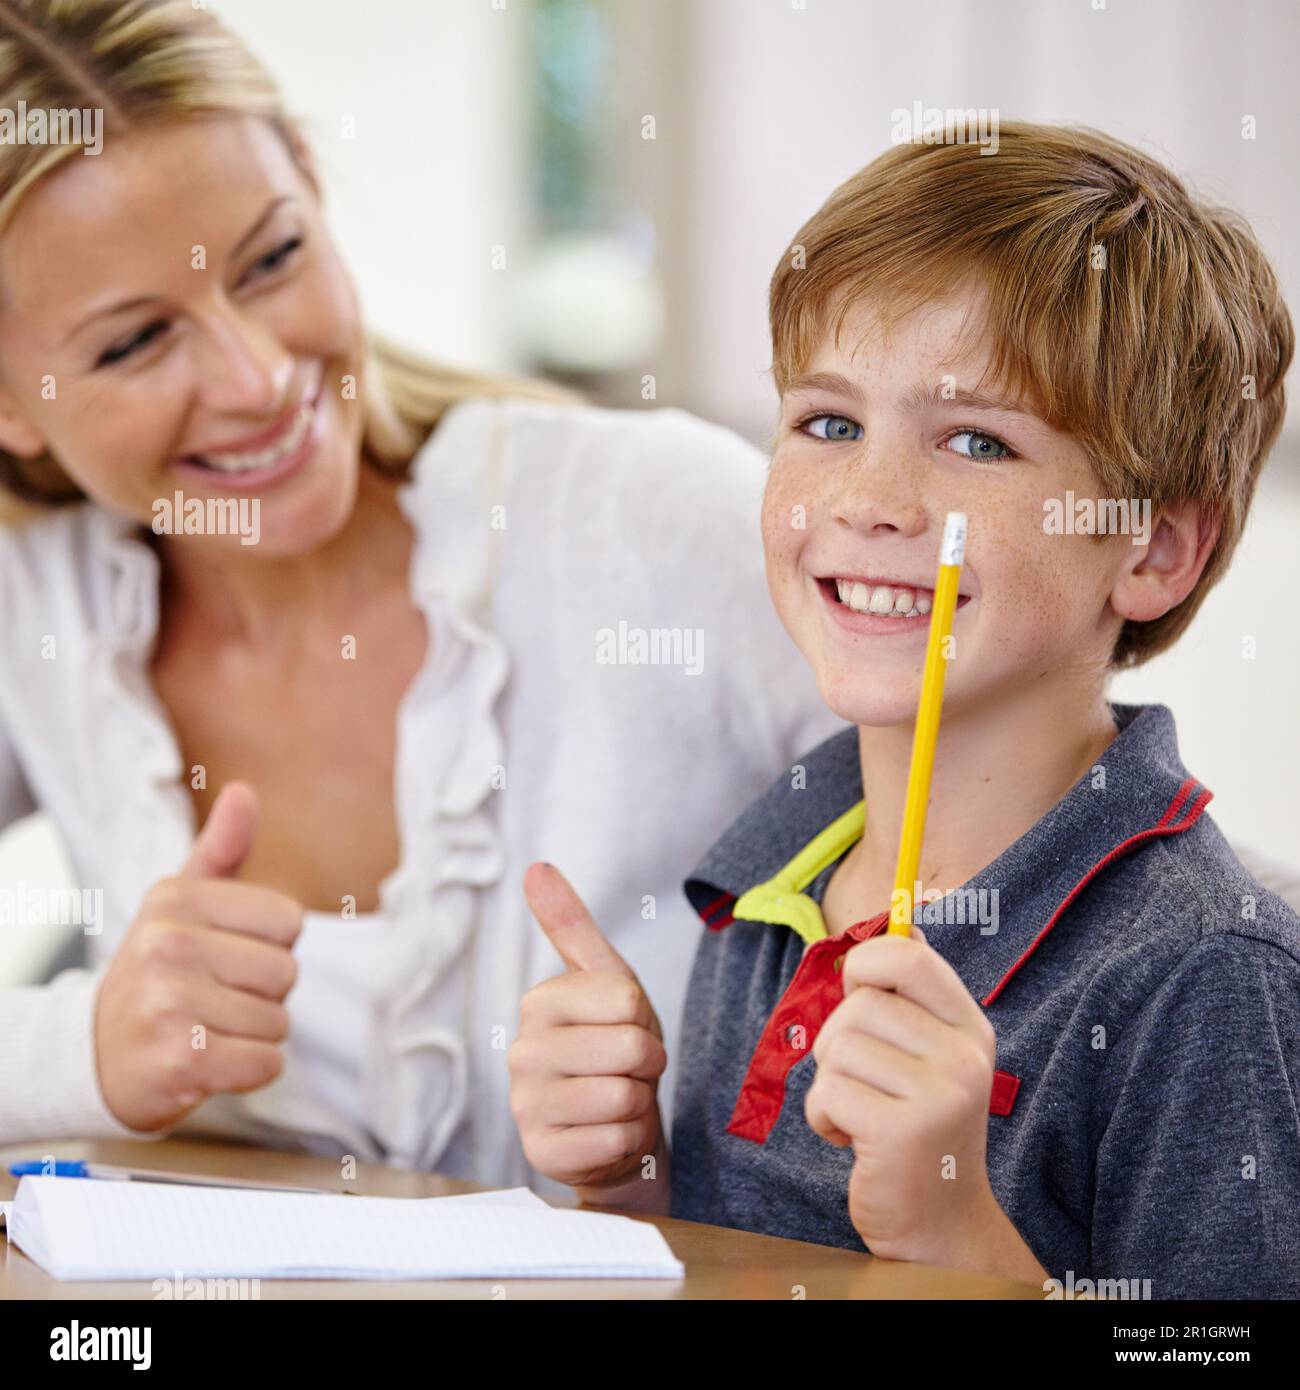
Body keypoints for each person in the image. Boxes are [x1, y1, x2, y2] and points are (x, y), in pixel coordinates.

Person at [0, 0, 839, 1191]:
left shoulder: (649, 522)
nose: (255, 377)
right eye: (136, 343)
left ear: (311, 184)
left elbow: (1022, 874)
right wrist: (79, 1049)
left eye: (273, 259)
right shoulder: (43, 608)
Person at [510, 122, 1300, 1297]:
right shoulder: (768, 877)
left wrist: (955, 1239)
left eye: (976, 440)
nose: (871, 497)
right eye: (828, 423)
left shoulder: (1206, 974)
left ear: (1153, 549)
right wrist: (629, 1185)